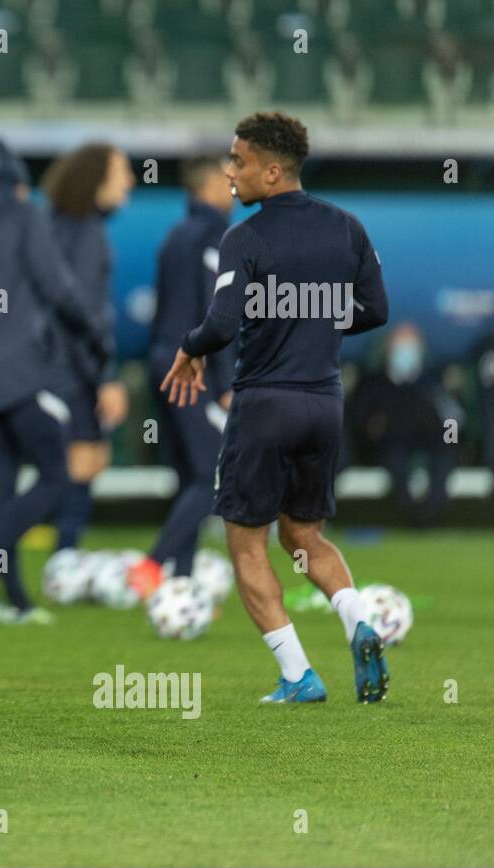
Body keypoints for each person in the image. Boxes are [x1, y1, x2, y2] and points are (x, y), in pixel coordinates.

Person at [161, 111, 390, 704]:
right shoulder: (347, 227)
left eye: (238, 162)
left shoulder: (244, 238)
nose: (229, 173)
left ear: (271, 171)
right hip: (324, 403)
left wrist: (189, 348)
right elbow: (376, 310)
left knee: (246, 543)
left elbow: (221, 324)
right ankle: (358, 621)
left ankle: (297, 674)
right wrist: (316, 320)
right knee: (305, 535)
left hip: (264, 403)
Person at [0, 140, 97, 623]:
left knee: (3, 480)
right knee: (56, 474)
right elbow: (57, 286)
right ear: (17, 183)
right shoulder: (24, 214)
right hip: (20, 366)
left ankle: (14, 598)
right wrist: (91, 332)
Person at [129, 156, 236, 596]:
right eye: (226, 179)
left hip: (163, 360)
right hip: (194, 369)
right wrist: (225, 382)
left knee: (190, 474)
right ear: (207, 186)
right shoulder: (216, 236)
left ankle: (183, 583)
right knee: (212, 475)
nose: (233, 186)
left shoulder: (175, 235)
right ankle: (152, 566)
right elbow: (217, 311)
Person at [41, 142, 135, 558]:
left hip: (51, 365)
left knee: (79, 461)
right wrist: (105, 378)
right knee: (83, 460)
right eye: (122, 172)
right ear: (96, 180)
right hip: (71, 370)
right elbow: (84, 317)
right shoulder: (86, 235)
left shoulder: (58, 226)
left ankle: (60, 557)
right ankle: (60, 559)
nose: (130, 181)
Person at [349, 323, 459, 526]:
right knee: (396, 456)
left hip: (432, 440)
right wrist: (373, 430)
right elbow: (362, 423)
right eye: (401, 345)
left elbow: (454, 418)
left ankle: (432, 512)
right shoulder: (373, 383)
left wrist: (449, 437)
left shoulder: (433, 381)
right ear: (388, 348)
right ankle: (411, 514)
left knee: (445, 453)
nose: (406, 352)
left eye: (411, 345)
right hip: (392, 442)